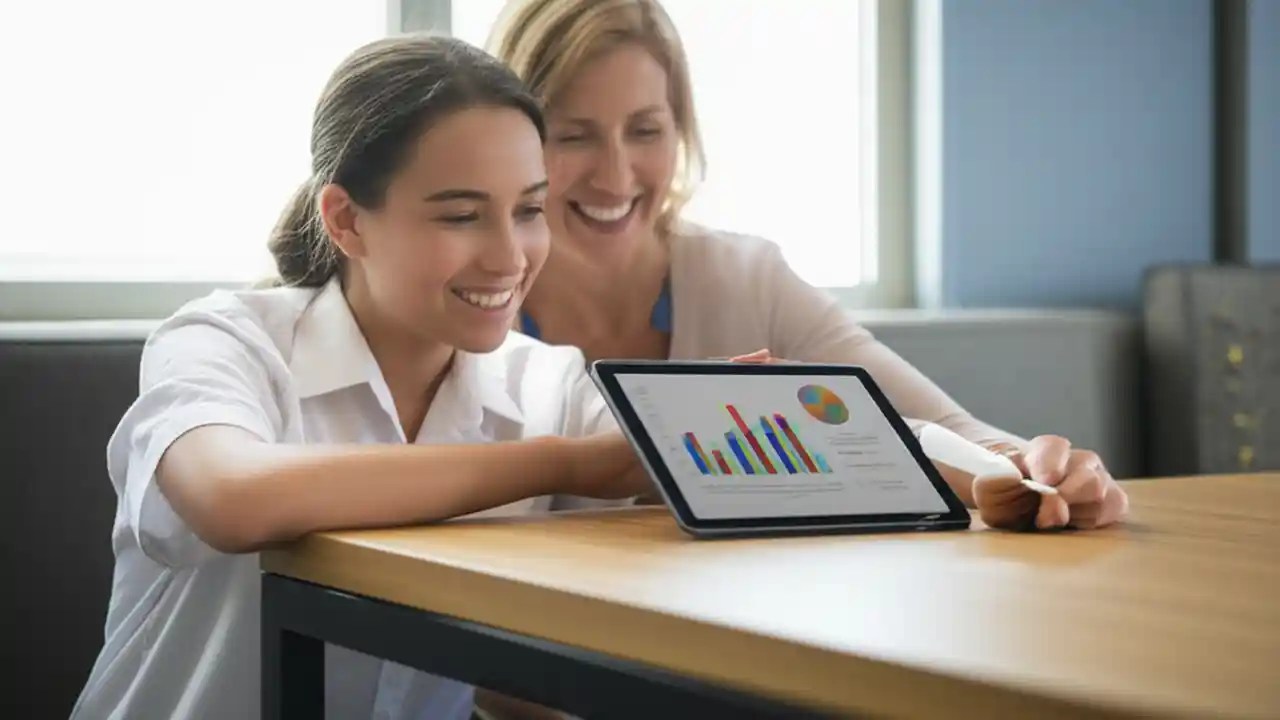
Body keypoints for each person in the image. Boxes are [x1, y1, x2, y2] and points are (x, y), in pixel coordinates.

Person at [70, 34, 650, 720]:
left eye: (528, 210)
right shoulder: (225, 342)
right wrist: (561, 466)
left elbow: (658, 467)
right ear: (346, 221)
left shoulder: (546, 381)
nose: (510, 257)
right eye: (461, 215)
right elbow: (230, 498)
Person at [487, 0, 1128, 533]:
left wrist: (1042, 472)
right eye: (573, 135)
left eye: (647, 130)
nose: (617, 175)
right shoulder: (473, 305)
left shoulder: (743, 279)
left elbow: (948, 431)